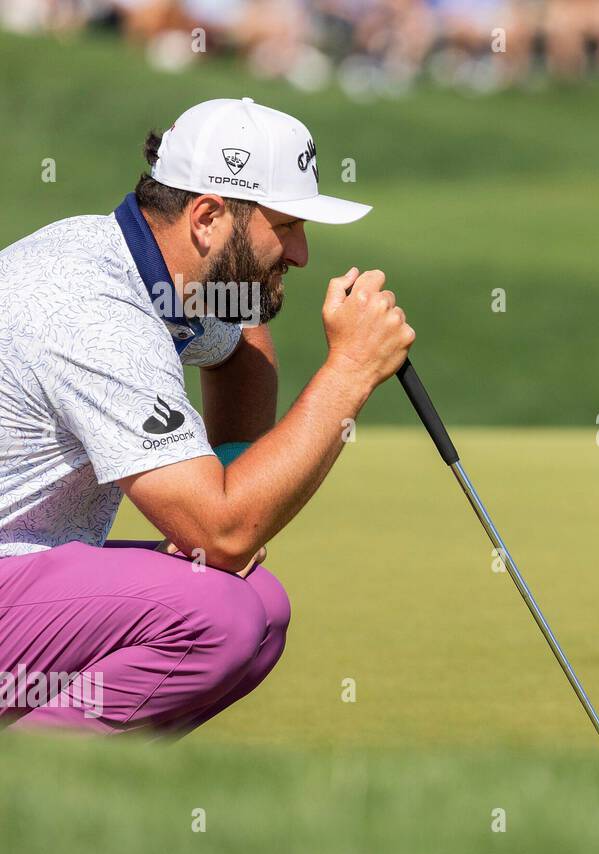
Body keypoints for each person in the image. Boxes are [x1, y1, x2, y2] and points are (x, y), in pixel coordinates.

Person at [0, 97, 414, 734]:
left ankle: (79, 803)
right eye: (287, 225)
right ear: (207, 217)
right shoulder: (92, 309)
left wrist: (232, 479)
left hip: (21, 575)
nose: (302, 254)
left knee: (260, 608)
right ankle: (27, 798)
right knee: (214, 613)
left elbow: (240, 342)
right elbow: (222, 535)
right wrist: (351, 371)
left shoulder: (151, 270)